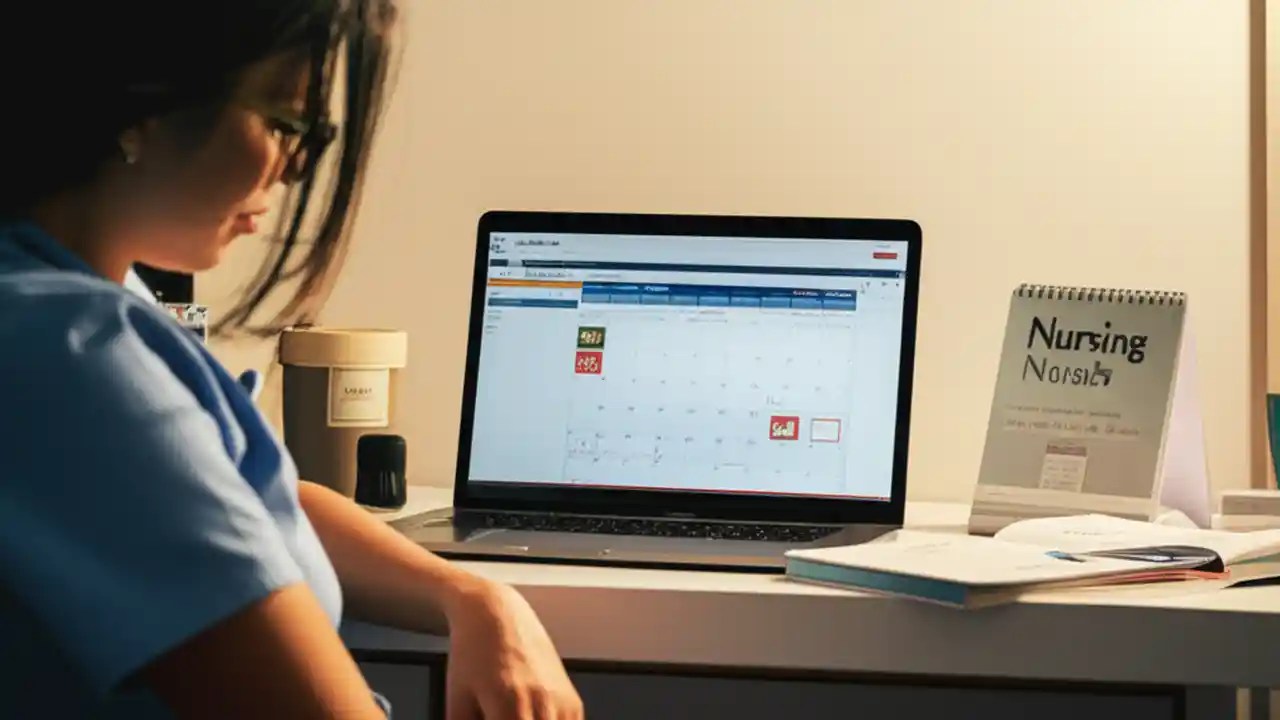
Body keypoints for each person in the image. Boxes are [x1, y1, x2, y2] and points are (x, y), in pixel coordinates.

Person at [0, 2, 583, 718]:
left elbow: (236, 499)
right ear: (141, 103)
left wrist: (476, 597)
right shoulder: (72, 355)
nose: (296, 166)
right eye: (282, 121)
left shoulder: (79, 304)